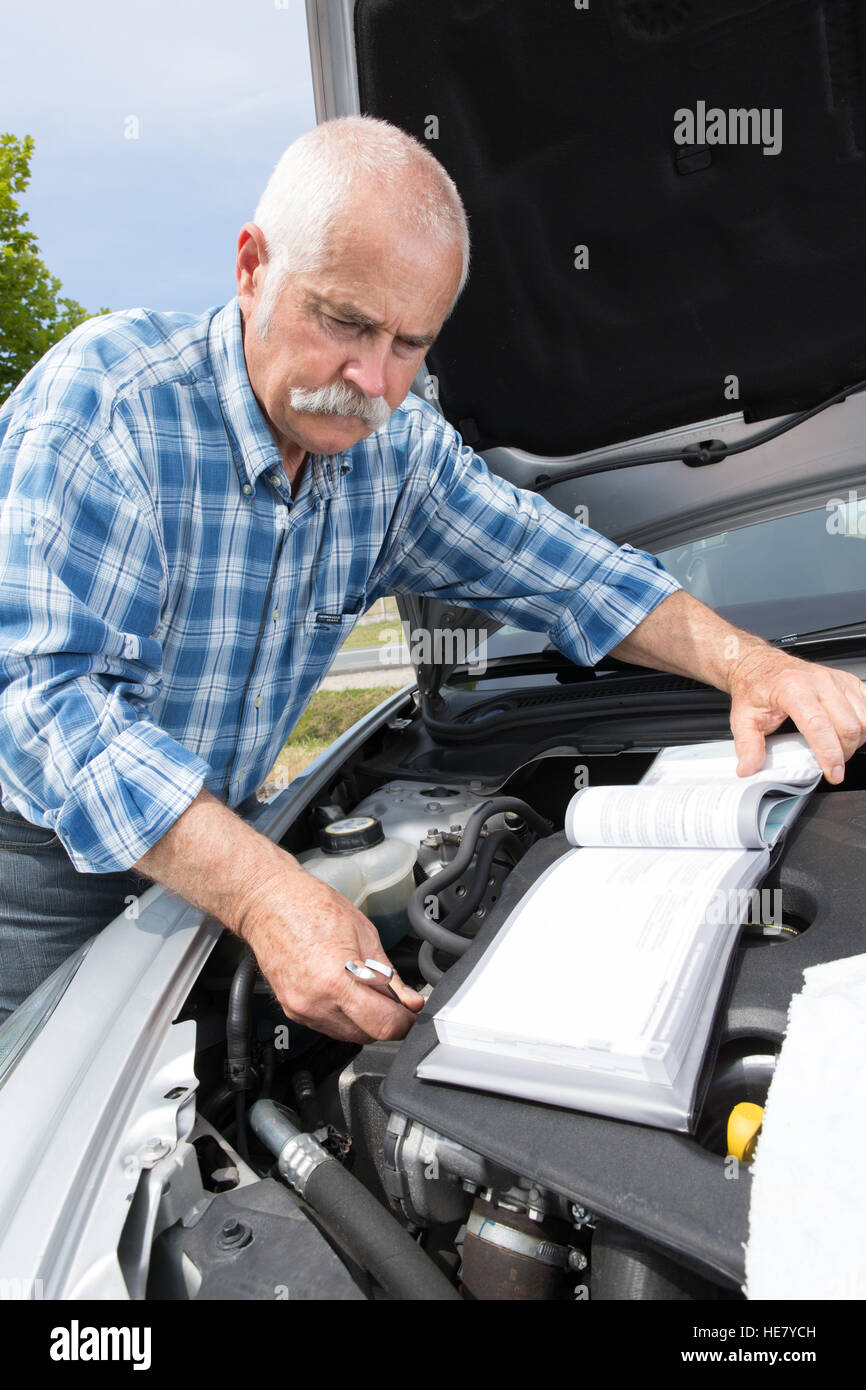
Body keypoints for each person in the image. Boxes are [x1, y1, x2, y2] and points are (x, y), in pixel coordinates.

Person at [1, 117, 864, 1035]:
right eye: (346, 322)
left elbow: (569, 570)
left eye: (411, 344)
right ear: (252, 267)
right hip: (43, 865)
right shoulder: (109, 403)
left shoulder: (397, 453)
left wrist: (752, 666)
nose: (373, 382)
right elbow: (51, 700)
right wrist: (265, 894)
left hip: (223, 821)